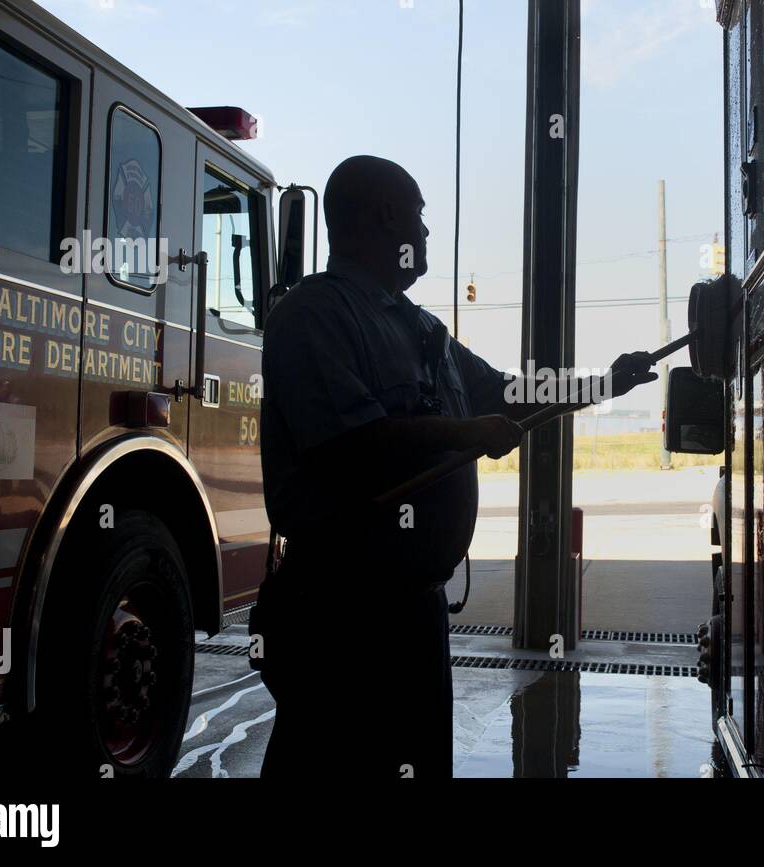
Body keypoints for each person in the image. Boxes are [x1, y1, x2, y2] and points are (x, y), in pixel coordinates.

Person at [256, 155, 656, 778]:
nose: (423, 234)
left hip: (414, 614)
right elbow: (350, 446)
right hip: (340, 615)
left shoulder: (423, 329)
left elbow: (508, 392)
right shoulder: (313, 316)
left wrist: (604, 382)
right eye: (418, 216)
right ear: (387, 215)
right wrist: (464, 432)